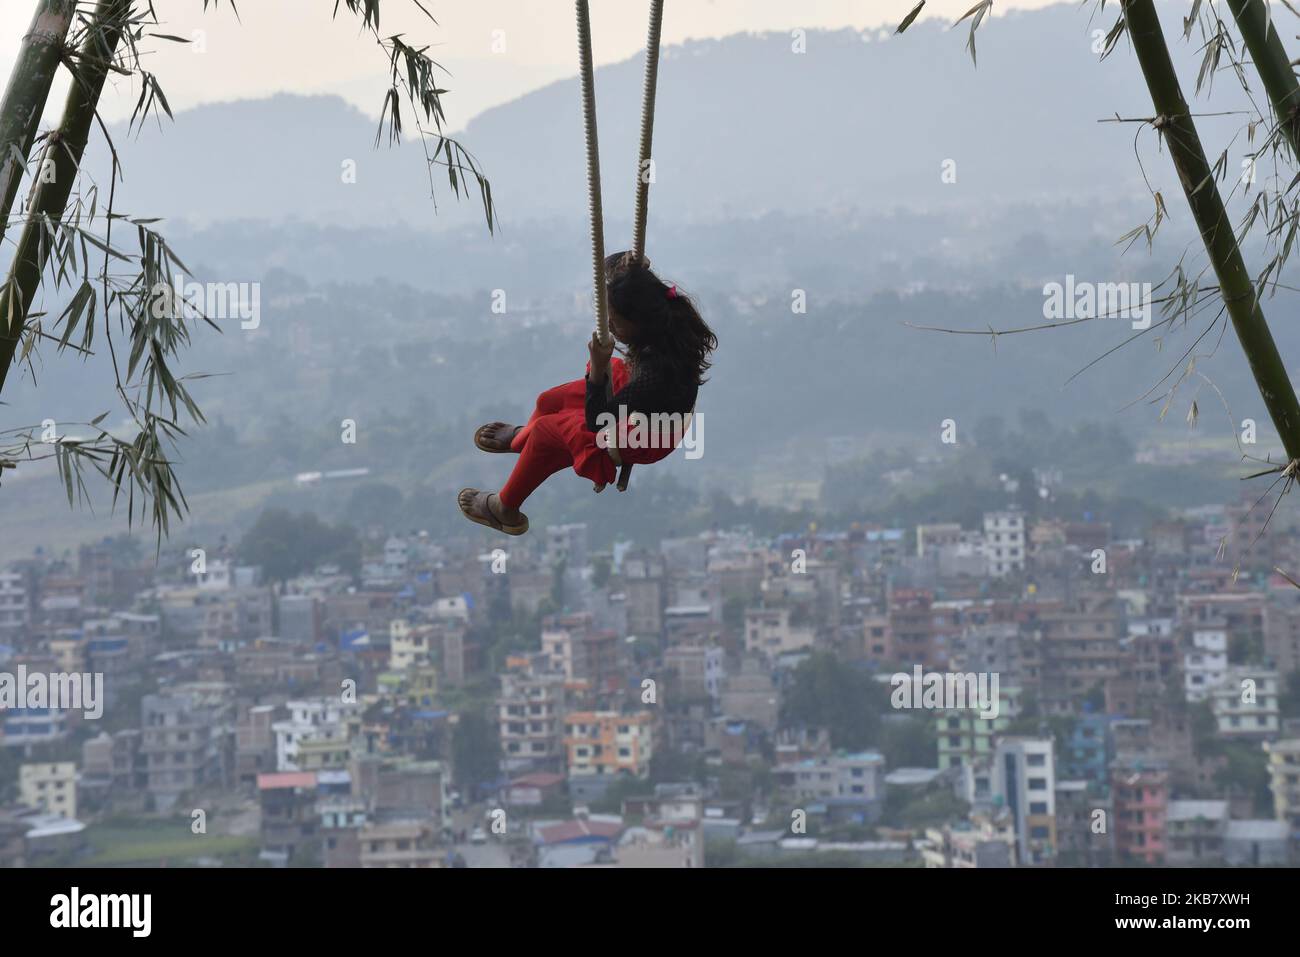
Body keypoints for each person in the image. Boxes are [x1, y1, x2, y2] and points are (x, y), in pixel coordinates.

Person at [459, 252, 717, 535]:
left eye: (615, 323)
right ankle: (523, 440)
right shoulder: (662, 317)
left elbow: (599, 422)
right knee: (549, 401)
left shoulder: (656, 372)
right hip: (643, 404)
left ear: (640, 321)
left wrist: (597, 368)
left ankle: (504, 508)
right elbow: (610, 269)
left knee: (548, 432)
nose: (610, 329)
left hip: (647, 434)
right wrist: (629, 264)